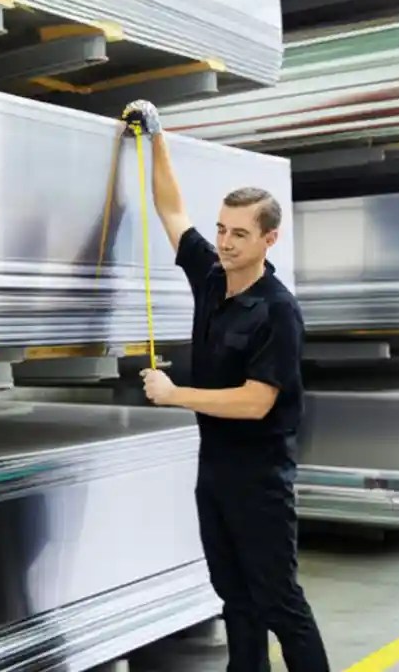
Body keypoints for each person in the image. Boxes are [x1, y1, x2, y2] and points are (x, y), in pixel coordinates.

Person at [121, 99, 330, 672]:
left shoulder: (277, 311)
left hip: (260, 478)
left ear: (269, 239)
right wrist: (155, 136)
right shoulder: (212, 279)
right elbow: (171, 209)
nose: (225, 242)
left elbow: (257, 401)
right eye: (221, 229)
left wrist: (175, 394)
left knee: (279, 602)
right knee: (234, 598)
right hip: (214, 468)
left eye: (240, 233)